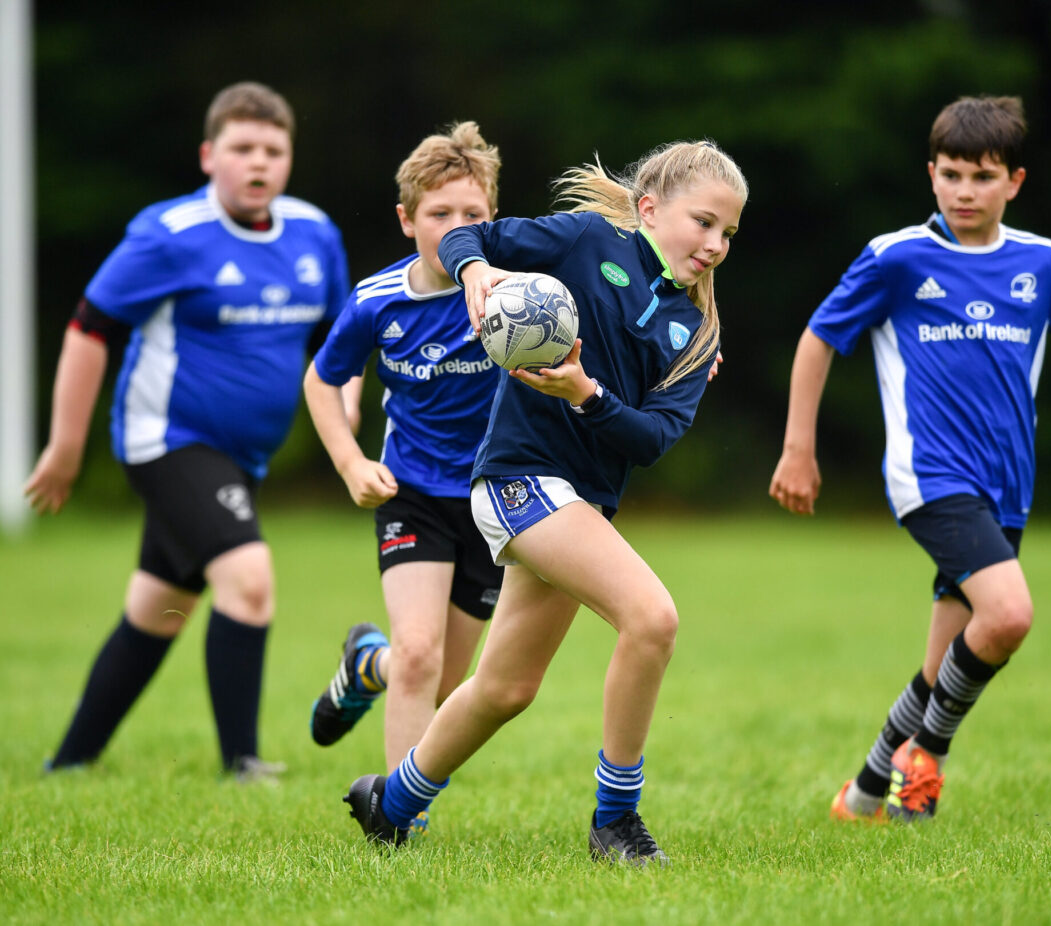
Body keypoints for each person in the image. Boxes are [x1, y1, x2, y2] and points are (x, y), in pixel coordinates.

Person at [769, 95, 1051, 823]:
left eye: (983, 177)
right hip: (929, 477)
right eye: (953, 174)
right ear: (931, 175)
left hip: (1008, 486)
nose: (965, 190)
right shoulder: (896, 257)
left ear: (1014, 182)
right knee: (1009, 616)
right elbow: (818, 339)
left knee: (946, 660)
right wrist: (798, 448)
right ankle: (927, 760)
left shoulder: (1042, 263)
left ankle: (867, 794)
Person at [339, 140, 747, 867]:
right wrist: (476, 270)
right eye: (704, 223)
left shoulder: (696, 331)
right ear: (650, 209)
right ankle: (615, 821)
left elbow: (651, 438)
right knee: (652, 619)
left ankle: (389, 804)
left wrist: (584, 394)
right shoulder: (588, 242)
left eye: (728, 233)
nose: (715, 245)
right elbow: (468, 235)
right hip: (517, 479)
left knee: (505, 688)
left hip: (580, 502)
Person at [24, 81, 352, 781]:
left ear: (290, 157)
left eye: (273, 148)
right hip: (166, 439)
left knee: (160, 606)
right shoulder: (168, 236)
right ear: (209, 155)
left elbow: (340, 342)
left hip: (243, 458)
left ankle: (71, 761)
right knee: (249, 578)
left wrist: (346, 404)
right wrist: (65, 447)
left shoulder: (313, 233)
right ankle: (242, 762)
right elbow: (88, 330)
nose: (257, 162)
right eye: (241, 148)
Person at [304, 123, 504, 827]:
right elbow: (324, 381)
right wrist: (351, 461)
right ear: (406, 220)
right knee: (419, 654)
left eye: (472, 216)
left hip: (494, 502)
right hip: (411, 491)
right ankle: (398, 818)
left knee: (448, 684)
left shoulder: (515, 295)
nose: (456, 229)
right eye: (439, 214)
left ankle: (367, 667)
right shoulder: (376, 301)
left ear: (494, 220)